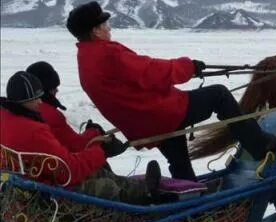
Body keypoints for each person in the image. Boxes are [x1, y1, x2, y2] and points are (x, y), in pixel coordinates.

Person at [66, 1, 276, 181]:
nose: (109, 29)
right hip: (159, 114)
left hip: (144, 123)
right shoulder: (108, 53)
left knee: (178, 159)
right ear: (95, 31)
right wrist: (188, 67)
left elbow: (131, 83)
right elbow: (149, 70)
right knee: (219, 95)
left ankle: (190, 201)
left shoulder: (85, 58)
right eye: (105, 24)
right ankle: (258, 144)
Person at [0, 71, 161, 204]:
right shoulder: (33, 129)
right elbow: (69, 170)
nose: (40, 102)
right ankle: (139, 206)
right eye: (36, 98)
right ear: (25, 101)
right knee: (105, 185)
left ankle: (143, 188)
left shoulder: (6, 118)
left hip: (26, 181)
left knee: (94, 172)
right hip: (45, 191)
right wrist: (101, 150)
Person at [26, 61, 104, 151]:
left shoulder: (15, 111)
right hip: (50, 163)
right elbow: (76, 145)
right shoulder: (50, 115)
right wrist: (94, 132)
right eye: (53, 87)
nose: (57, 90)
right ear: (44, 90)